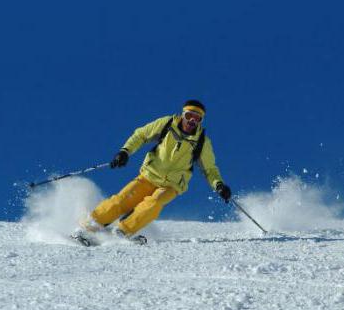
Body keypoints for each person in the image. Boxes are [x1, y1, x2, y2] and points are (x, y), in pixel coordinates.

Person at [74, 99, 232, 244]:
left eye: (197, 118)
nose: (192, 120)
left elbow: (210, 169)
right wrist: (125, 151)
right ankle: (88, 226)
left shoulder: (202, 142)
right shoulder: (167, 124)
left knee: (153, 204)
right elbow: (141, 135)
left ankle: (123, 231)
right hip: (149, 176)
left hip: (171, 185)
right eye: (189, 115)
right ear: (182, 115)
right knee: (121, 201)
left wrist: (219, 185)